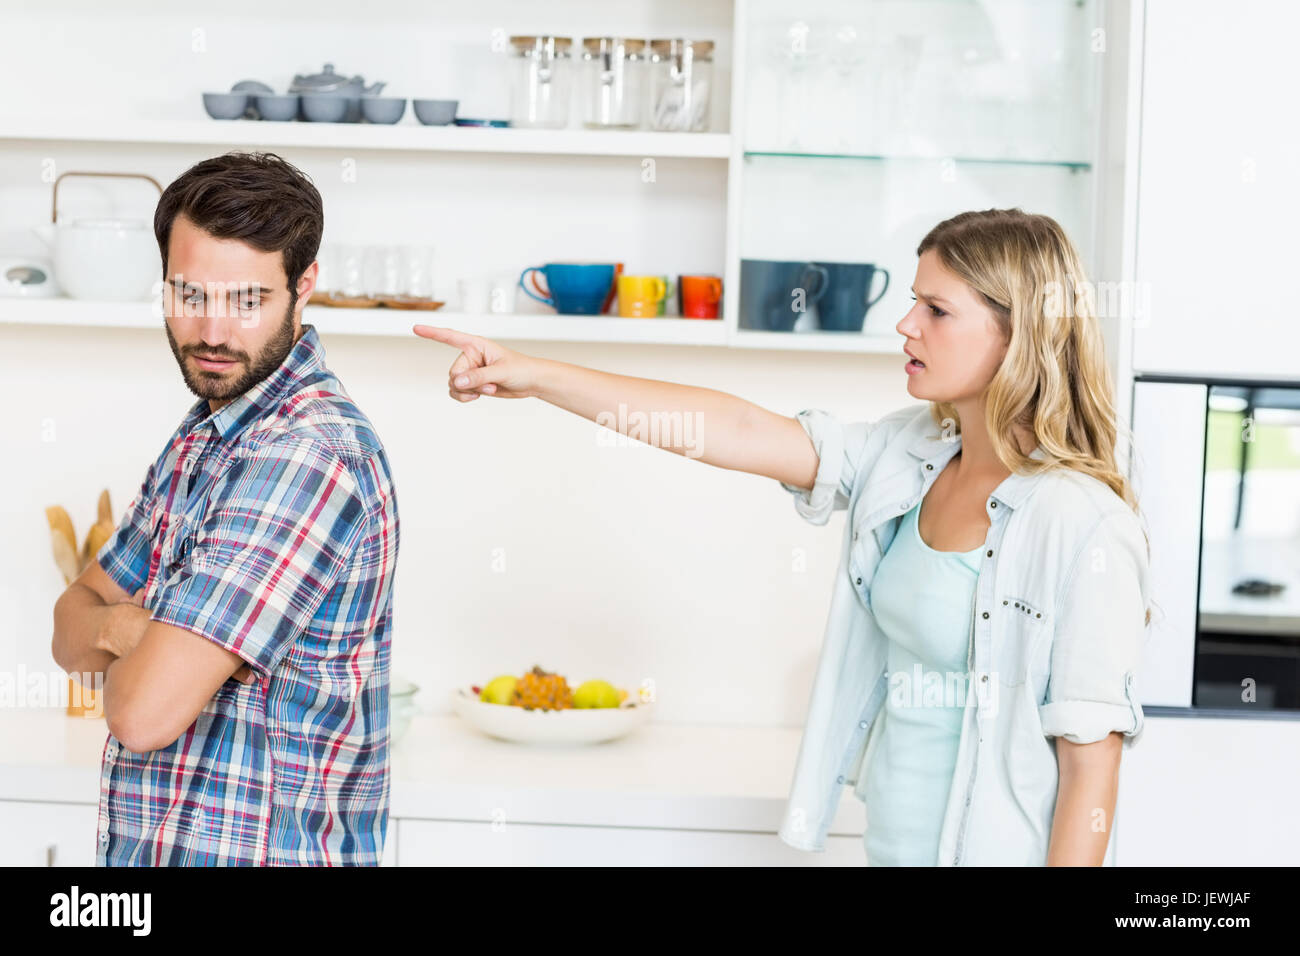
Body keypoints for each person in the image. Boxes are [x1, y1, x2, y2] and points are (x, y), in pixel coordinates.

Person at [412, 208, 1151, 866]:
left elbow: (1093, 767)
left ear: (1018, 332)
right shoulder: (908, 460)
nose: (906, 325)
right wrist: (535, 376)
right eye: (911, 302)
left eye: (936, 309)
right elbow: (730, 429)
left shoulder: (1083, 526)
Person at [50, 151, 400, 866]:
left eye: (246, 301)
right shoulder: (205, 434)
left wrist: (120, 643)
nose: (212, 331)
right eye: (189, 294)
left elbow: (139, 715)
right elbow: (68, 632)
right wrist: (132, 627)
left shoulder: (306, 454)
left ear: (303, 290)